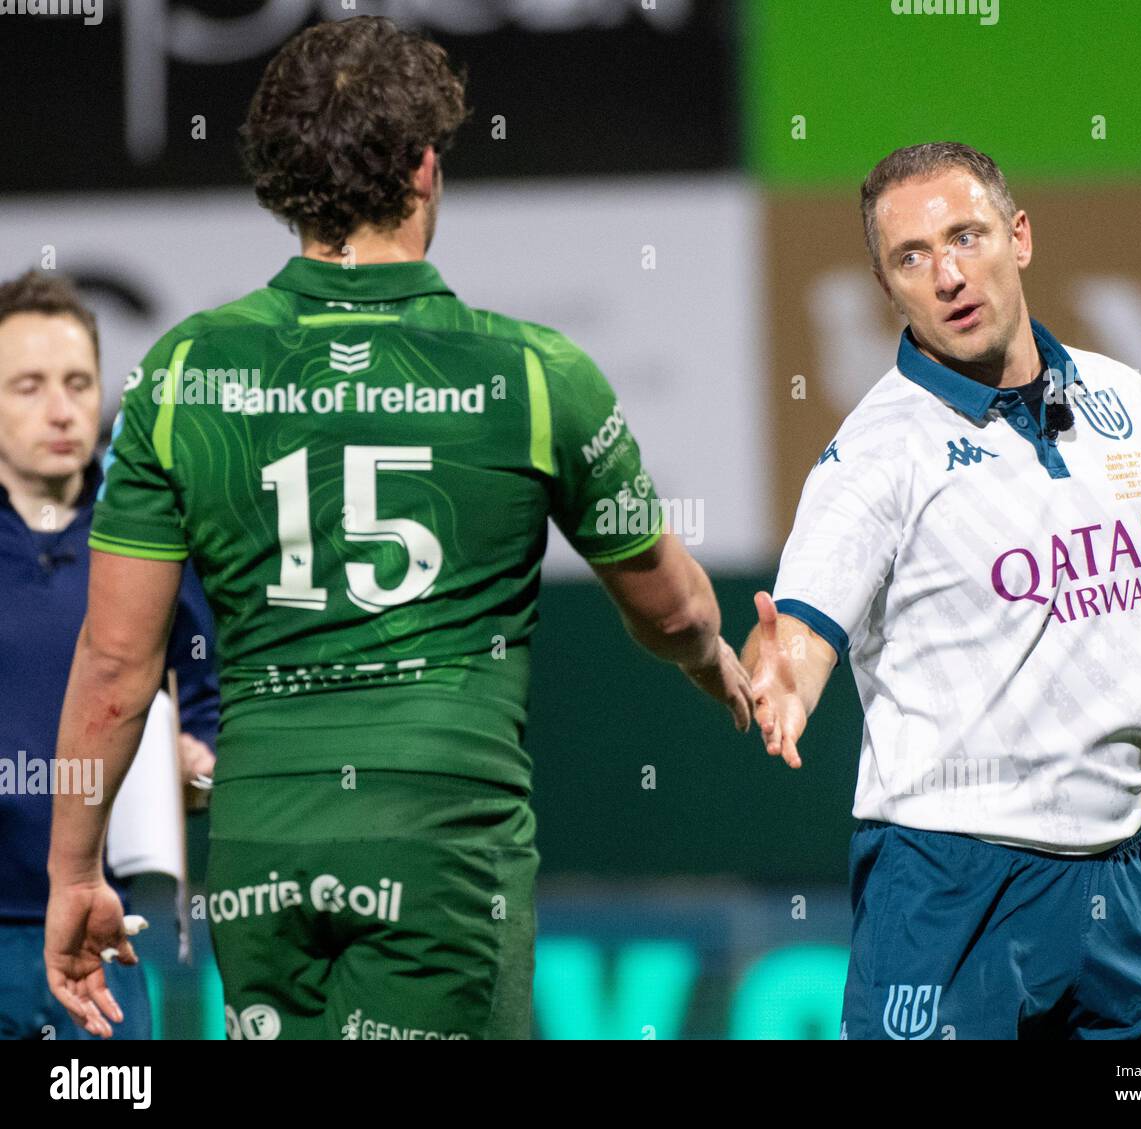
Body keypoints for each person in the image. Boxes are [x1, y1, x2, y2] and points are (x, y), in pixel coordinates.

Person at [45, 15, 751, 1041]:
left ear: (280, 183)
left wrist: (74, 869)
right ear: (425, 168)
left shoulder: (183, 371)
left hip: (261, 843)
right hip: (440, 844)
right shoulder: (533, 375)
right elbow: (672, 607)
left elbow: (115, 666)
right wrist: (710, 659)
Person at [743, 141, 1141, 1040]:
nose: (946, 274)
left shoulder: (1125, 398)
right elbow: (803, 633)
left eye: (965, 236)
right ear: (884, 284)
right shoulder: (873, 459)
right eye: (911, 256)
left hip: (1124, 875)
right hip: (948, 879)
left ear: (1018, 237)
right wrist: (781, 677)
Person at [0, 269, 218, 1040]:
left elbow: (206, 700)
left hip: (100, 938)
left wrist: (196, 757)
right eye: (28, 385)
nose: (61, 408)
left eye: (78, 382)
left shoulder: (147, 544)